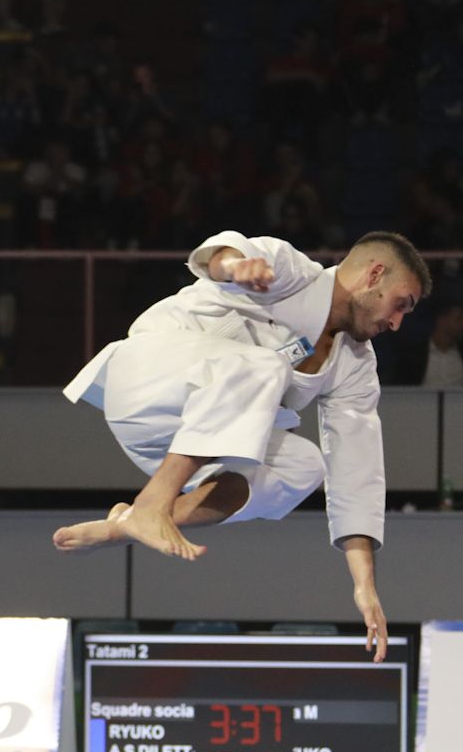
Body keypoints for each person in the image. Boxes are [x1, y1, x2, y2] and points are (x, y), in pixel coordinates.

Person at [53, 230, 430, 662]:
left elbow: (356, 472)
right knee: (264, 367)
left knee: (305, 465)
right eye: (401, 303)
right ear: (374, 274)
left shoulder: (354, 365)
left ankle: (129, 524)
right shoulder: (290, 272)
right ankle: (153, 503)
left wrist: (365, 586)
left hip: (180, 441)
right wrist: (236, 267)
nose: (397, 322)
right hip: (149, 382)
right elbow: (223, 256)